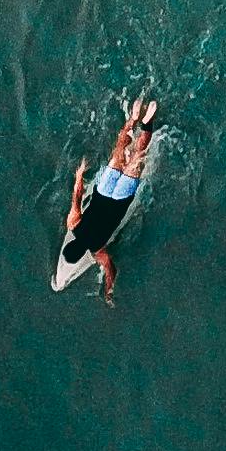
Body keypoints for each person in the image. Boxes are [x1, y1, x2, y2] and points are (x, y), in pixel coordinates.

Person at [61, 97, 160, 301]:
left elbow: (110, 269)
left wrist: (108, 291)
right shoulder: (73, 223)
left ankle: (147, 122)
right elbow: (77, 198)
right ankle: (133, 120)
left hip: (120, 198)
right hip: (103, 190)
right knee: (119, 150)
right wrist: (79, 176)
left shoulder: (98, 251)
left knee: (138, 155)